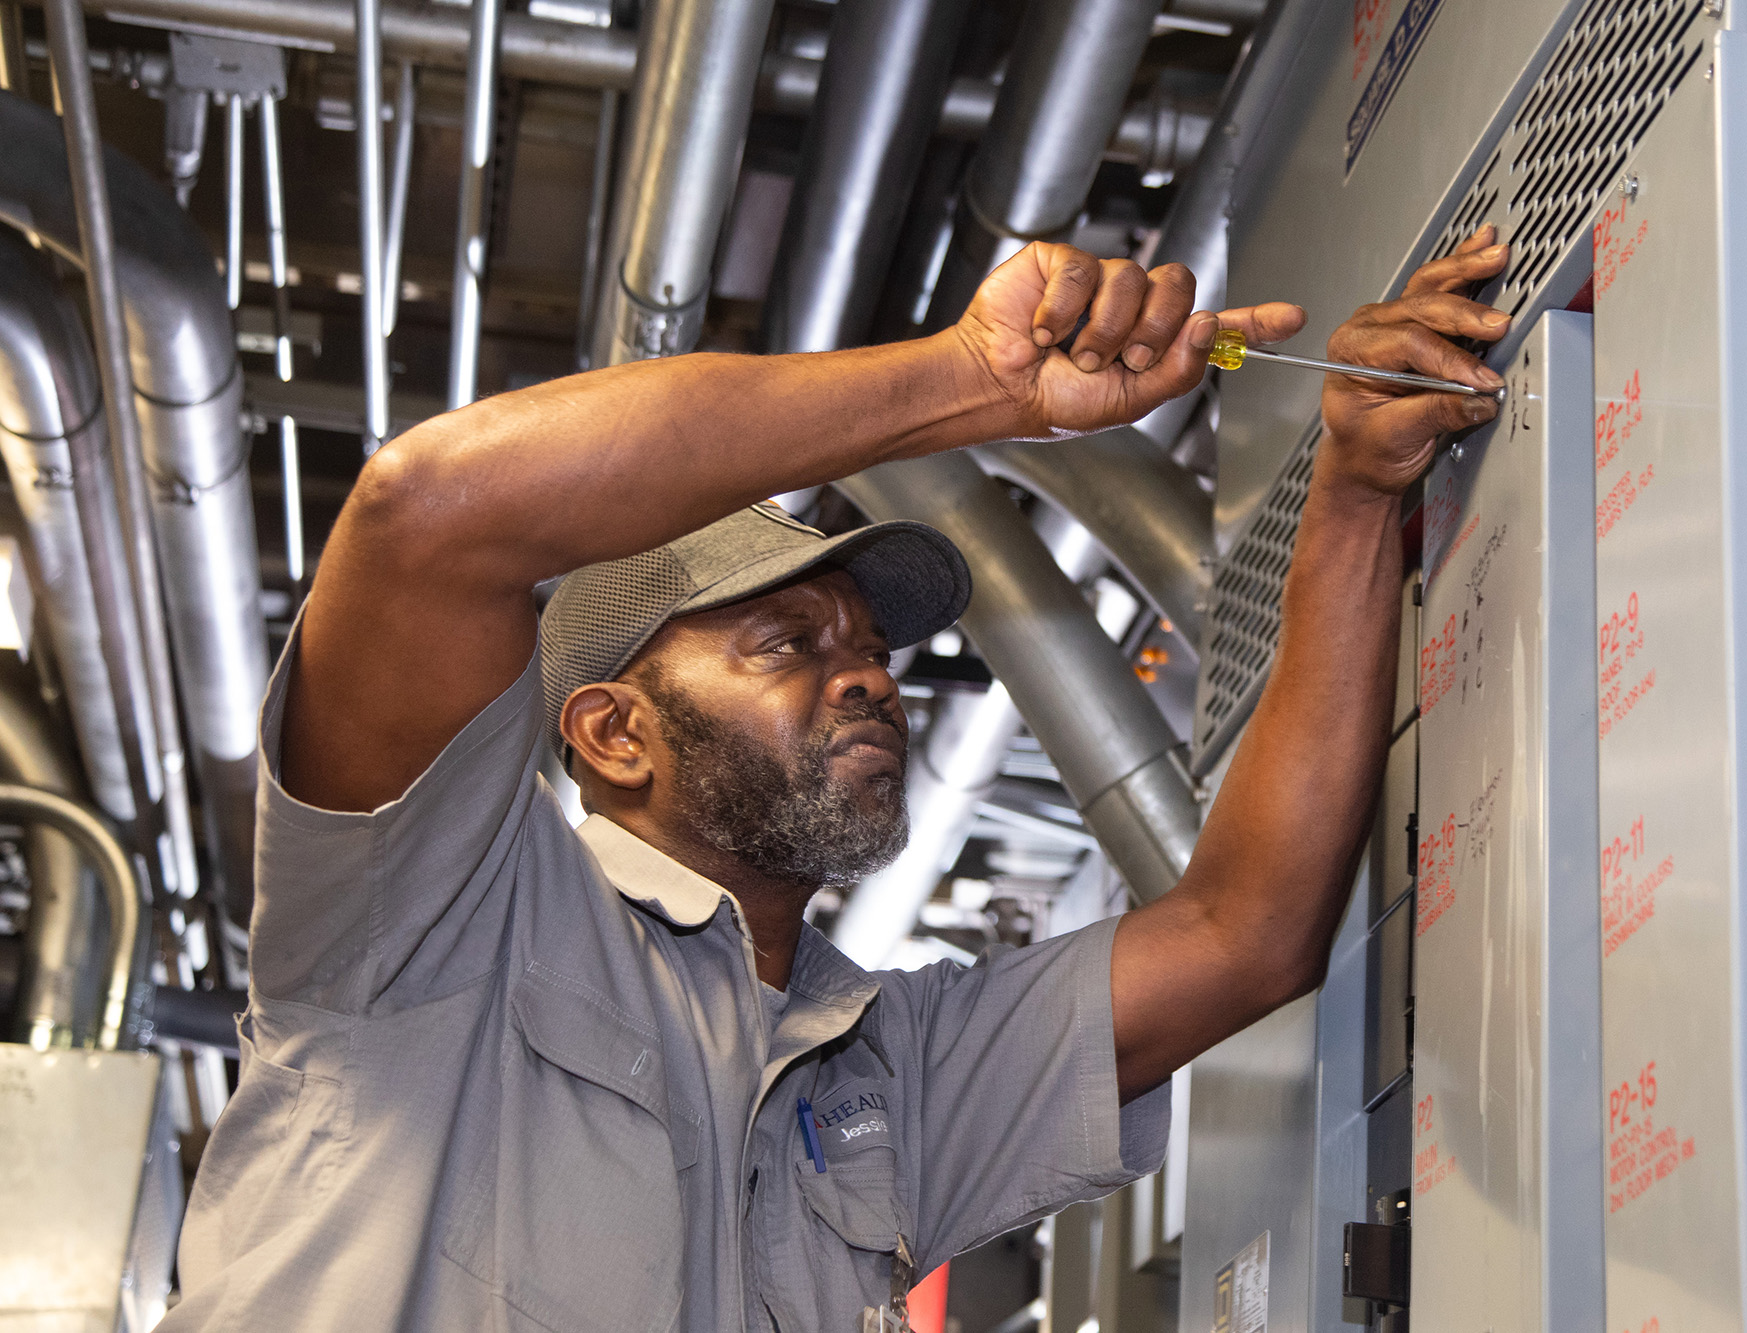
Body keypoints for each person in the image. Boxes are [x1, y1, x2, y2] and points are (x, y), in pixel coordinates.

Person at [162, 228, 1512, 1331]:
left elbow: (1247, 931)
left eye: (870, 646)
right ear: (613, 733)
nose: (868, 676)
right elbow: (429, 510)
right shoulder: (438, 921)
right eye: (789, 642)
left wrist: (1347, 497)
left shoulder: (877, 1070)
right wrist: (977, 381)